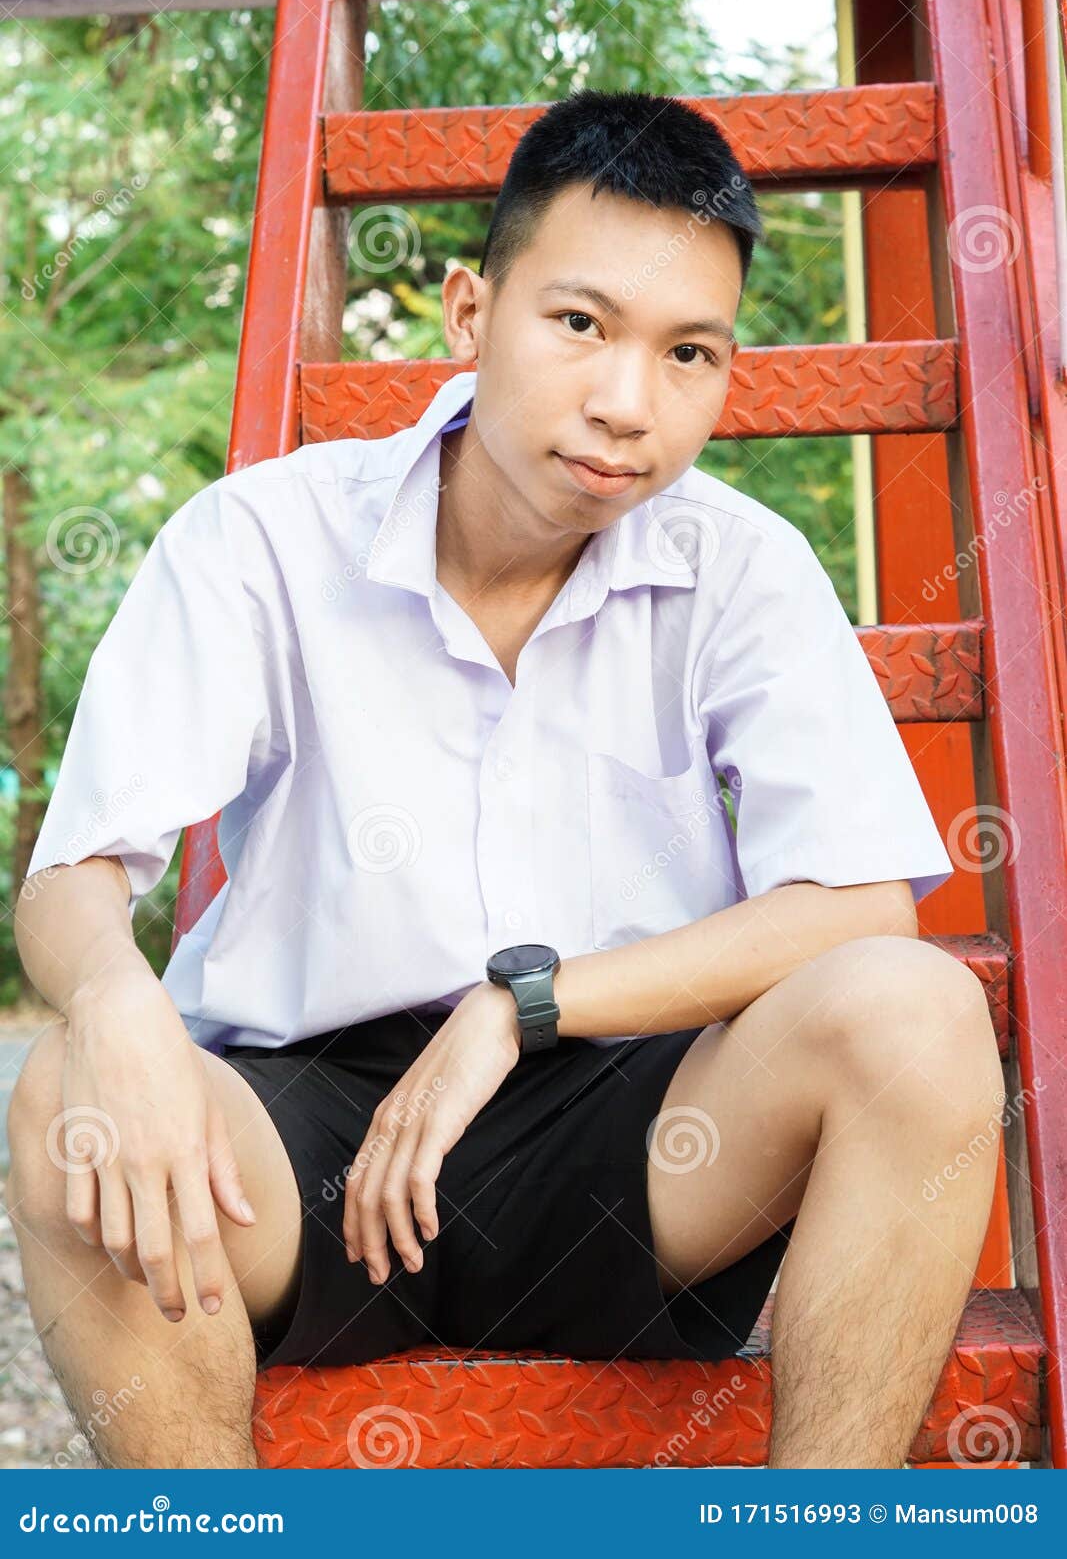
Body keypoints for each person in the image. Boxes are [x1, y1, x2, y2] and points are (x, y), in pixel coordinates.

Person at [9, 90, 1002, 1470]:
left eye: (689, 353)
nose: (625, 402)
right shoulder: (262, 540)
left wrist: (519, 1008)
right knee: (66, 1095)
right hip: (306, 1141)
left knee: (922, 1012)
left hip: (630, 1139)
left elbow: (858, 909)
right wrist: (116, 1000)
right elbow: (73, 869)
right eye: (581, 324)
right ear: (473, 315)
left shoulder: (742, 565)